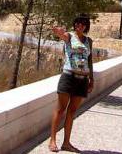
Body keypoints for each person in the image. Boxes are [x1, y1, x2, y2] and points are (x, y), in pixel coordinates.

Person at [48, 15, 94, 153]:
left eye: (83, 24)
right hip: (68, 77)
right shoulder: (69, 36)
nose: (80, 26)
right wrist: (58, 31)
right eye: (78, 23)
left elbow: (89, 60)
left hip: (83, 79)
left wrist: (92, 79)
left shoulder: (89, 41)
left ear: (86, 26)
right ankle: (53, 140)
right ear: (74, 25)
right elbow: (61, 34)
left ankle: (66, 143)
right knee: (60, 109)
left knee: (72, 111)